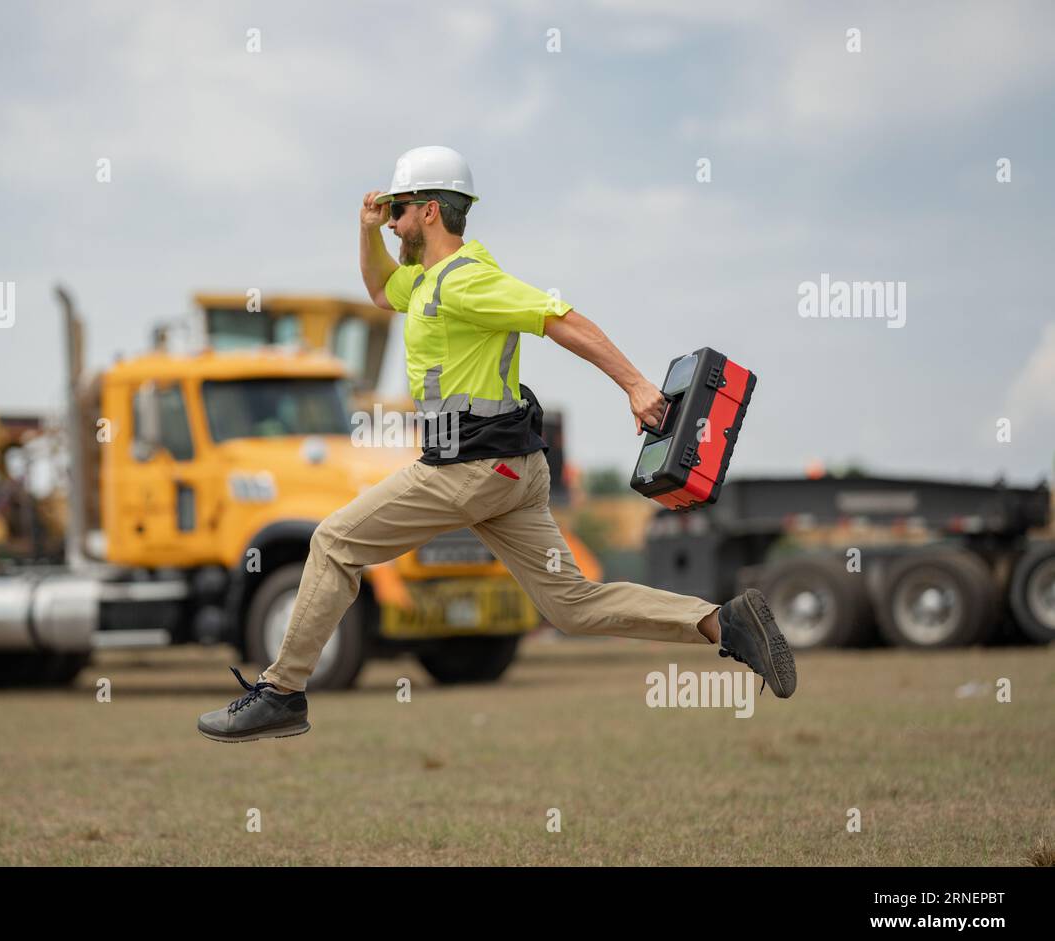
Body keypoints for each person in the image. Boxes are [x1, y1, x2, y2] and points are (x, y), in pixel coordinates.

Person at [198, 146, 795, 742]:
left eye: (400, 210)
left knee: (331, 543)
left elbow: (562, 318)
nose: (393, 221)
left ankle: (282, 692)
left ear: (430, 212)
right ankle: (723, 622)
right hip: (509, 471)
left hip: (471, 468)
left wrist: (637, 385)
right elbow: (382, 293)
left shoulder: (467, 281)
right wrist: (367, 230)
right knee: (573, 605)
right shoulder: (428, 282)